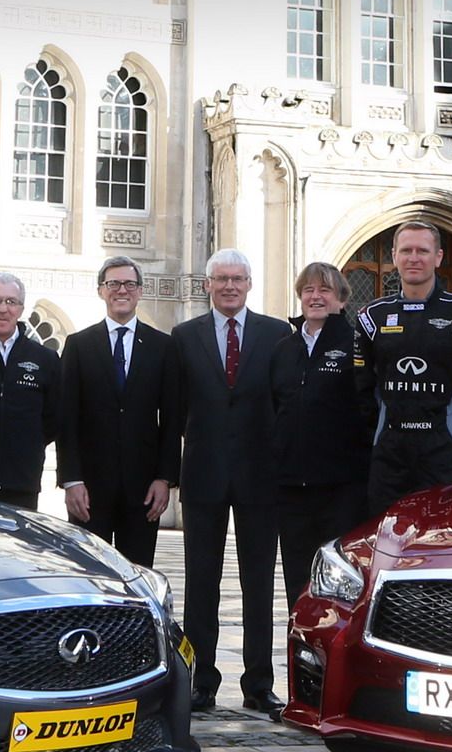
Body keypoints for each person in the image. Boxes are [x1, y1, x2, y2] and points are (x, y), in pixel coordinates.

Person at [172, 249, 285, 713]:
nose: (230, 286)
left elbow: (284, 404)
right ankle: (202, 681)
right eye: (221, 279)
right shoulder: (184, 337)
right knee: (201, 583)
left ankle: (258, 684)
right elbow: (173, 409)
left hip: (261, 476)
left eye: (238, 279)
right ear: (208, 285)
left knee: (259, 583)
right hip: (204, 473)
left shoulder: (277, 334)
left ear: (250, 284)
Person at [355, 221, 452, 510]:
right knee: (385, 546)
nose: (414, 258)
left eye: (422, 250)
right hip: (390, 457)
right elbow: (362, 391)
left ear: (438, 257)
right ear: (394, 256)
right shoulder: (371, 317)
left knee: (449, 546)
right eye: (406, 250)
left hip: (448, 455)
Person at [59, 257, 180, 565]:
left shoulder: (162, 347)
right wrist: (71, 479)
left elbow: (171, 417)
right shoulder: (78, 345)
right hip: (89, 488)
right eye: (113, 284)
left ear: (140, 291)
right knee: (89, 576)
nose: (121, 290)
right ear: (101, 290)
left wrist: (164, 478)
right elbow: (67, 417)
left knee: (137, 576)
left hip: (143, 490)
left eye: (129, 284)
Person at [270, 261, 370, 605]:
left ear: (341, 300)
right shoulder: (284, 349)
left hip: (341, 489)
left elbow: (368, 408)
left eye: (325, 290)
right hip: (291, 490)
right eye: (309, 290)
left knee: (339, 582)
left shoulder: (357, 343)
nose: (316, 297)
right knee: (297, 584)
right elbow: (274, 410)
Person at [0, 272, 65, 508]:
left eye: (11, 302)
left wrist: (27, 443)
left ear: (21, 310)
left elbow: (55, 417)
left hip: (21, 482)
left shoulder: (45, 358)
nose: (3, 309)